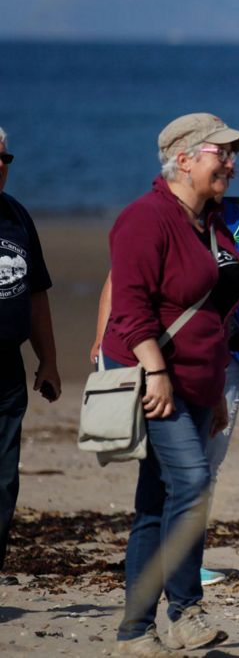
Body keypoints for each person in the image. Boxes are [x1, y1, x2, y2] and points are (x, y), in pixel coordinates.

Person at [90, 195, 239, 588]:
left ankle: (184, 563)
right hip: (166, 356)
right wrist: (102, 337)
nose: (228, 167)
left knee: (207, 461)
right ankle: (167, 567)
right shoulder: (157, 217)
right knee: (172, 469)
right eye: (219, 157)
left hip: (229, 355)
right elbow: (117, 282)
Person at [102, 113, 239, 655]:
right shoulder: (145, 219)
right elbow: (130, 308)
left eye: (234, 155)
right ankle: (185, 611)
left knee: (154, 503)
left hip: (194, 384)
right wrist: (157, 372)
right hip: (153, 380)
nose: (231, 164)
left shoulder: (205, 221)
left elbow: (210, 315)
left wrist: (212, 393)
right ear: (183, 159)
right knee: (190, 485)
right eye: (222, 152)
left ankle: (133, 633)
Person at [0, 127, 61, 581]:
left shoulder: (17, 216)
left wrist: (50, 361)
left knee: (3, 482)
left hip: (7, 369)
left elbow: (37, 294)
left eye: (5, 158)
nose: (0, 166)